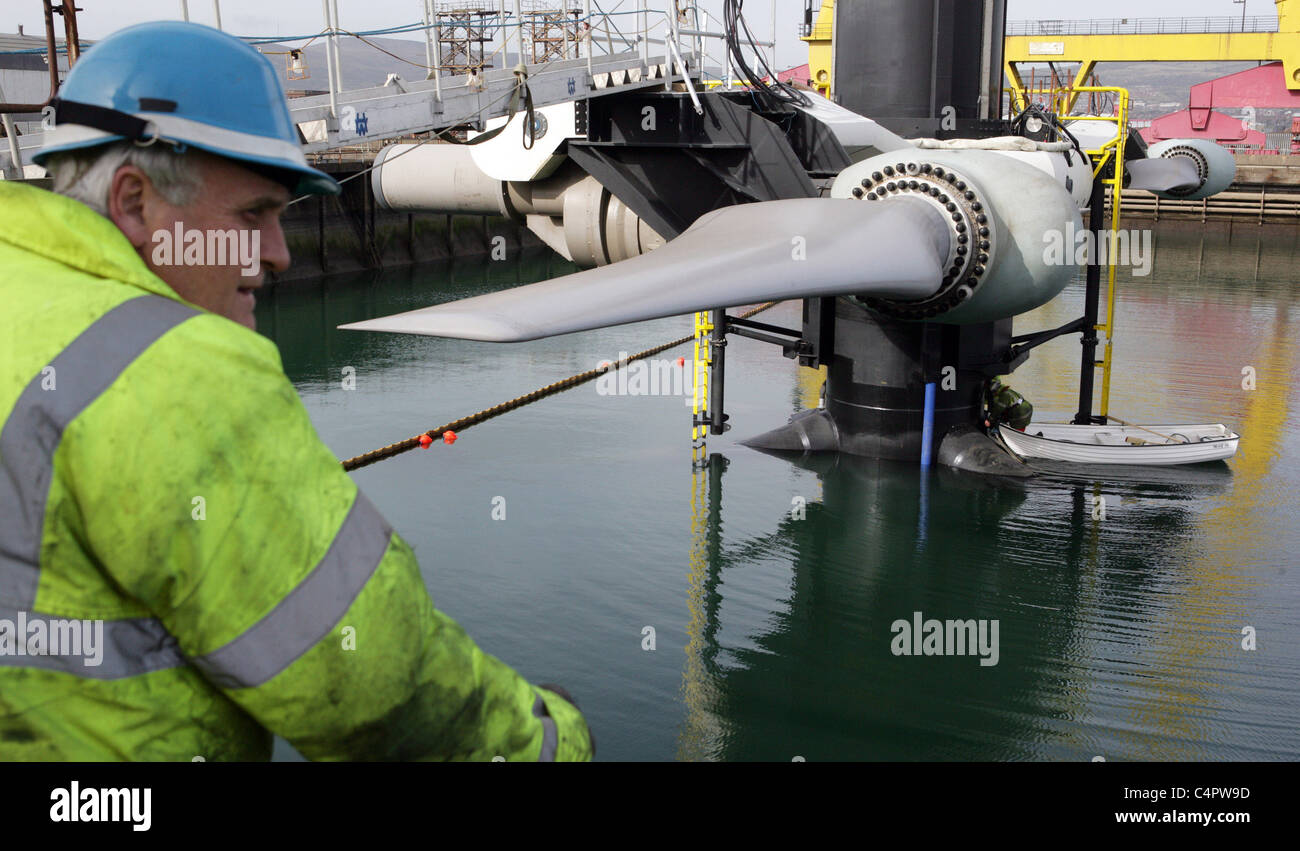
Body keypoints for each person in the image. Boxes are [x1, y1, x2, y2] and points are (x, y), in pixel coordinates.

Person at [0, 20, 592, 761]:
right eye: (253, 215)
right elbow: (368, 684)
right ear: (134, 201)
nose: (279, 254)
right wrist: (546, 739)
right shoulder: (172, 366)